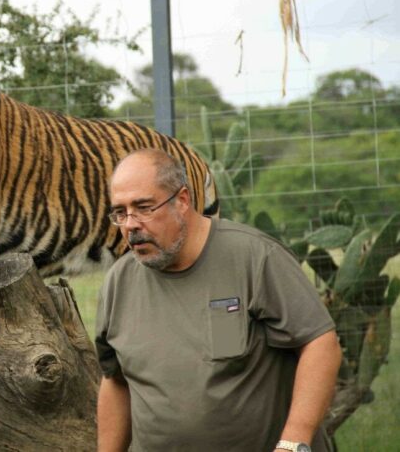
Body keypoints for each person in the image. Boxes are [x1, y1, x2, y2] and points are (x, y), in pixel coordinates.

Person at [95, 149, 342, 452]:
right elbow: (116, 381)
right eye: (120, 212)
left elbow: (320, 343)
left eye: (144, 207)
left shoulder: (255, 258)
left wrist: (294, 442)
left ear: (182, 200)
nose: (130, 224)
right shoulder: (119, 283)